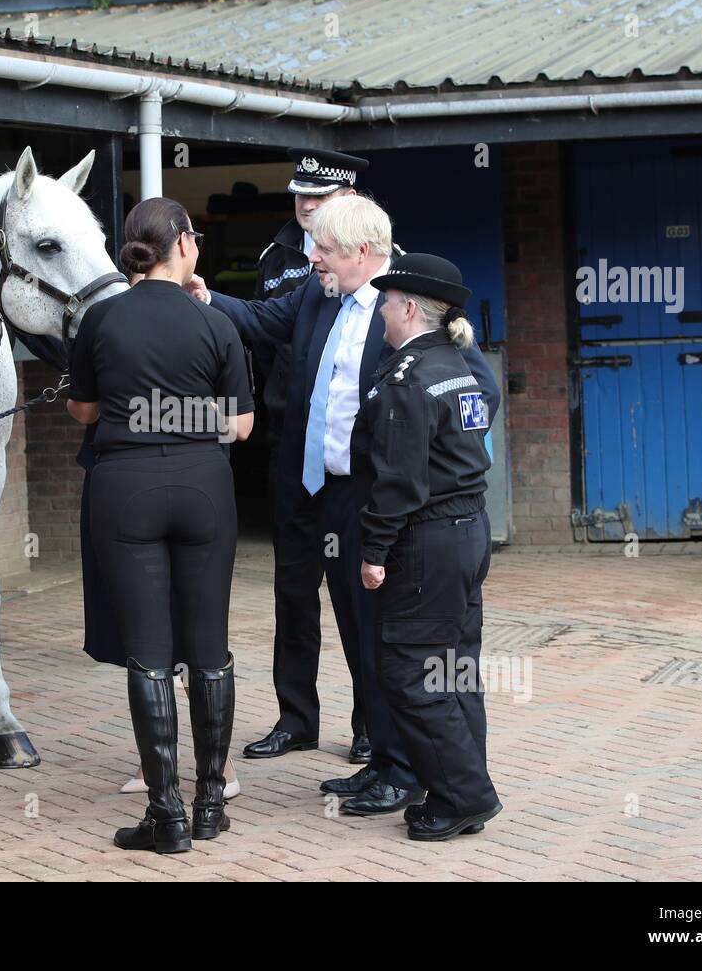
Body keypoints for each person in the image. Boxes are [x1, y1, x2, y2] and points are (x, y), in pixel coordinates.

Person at [186, 195, 499, 816]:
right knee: (361, 636)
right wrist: (202, 297)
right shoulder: (317, 296)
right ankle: (382, 758)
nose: (312, 258)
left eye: (324, 249)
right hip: (323, 495)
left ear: (363, 252)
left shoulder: (410, 308)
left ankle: (405, 770)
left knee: (395, 641)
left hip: (384, 501)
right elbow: (259, 320)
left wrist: (431, 468)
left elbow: (477, 391)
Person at [67, 197, 254, 854]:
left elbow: (85, 410)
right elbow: (242, 425)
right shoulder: (214, 325)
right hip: (204, 485)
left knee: (149, 651)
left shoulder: (101, 318)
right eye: (195, 236)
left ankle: (166, 811)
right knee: (209, 645)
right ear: (181, 242)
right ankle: (210, 801)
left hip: (125, 488)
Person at [353, 254, 503, 841]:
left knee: (413, 673)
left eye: (386, 304)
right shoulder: (457, 366)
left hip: (427, 542)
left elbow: (399, 483)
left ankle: (464, 796)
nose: (382, 315)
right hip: (467, 534)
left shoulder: (409, 378)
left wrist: (372, 551)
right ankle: (458, 790)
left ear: (410, 308)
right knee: (455, 669)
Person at [251, 148, 374, 765]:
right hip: (293, 451)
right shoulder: (280, 258)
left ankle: (369, 725)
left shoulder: (384, 278)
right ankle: (295, 718)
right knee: (293, 592)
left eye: (317, 198)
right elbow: (260, 326)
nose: (304, 207)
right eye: (298, 196)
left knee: (357, 599)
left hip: (350, 469)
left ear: (350, 203)